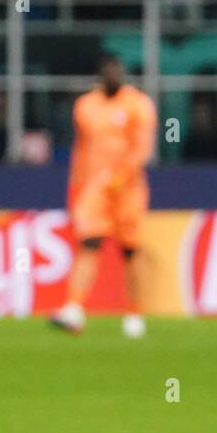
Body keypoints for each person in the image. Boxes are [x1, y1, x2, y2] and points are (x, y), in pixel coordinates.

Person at [50, 54, 157, 338]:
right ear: (100, 75)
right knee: (88, 243)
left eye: (117, 70)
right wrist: (77, 184)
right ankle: (73, 308)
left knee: (130, 251)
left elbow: (142, 148)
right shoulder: (86, 106)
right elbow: (82, 150)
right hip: (95, 189)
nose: (113, 75)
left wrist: (121, 178)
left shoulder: (139, 104)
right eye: (107, 71)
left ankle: (135, 313)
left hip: (128, 189)